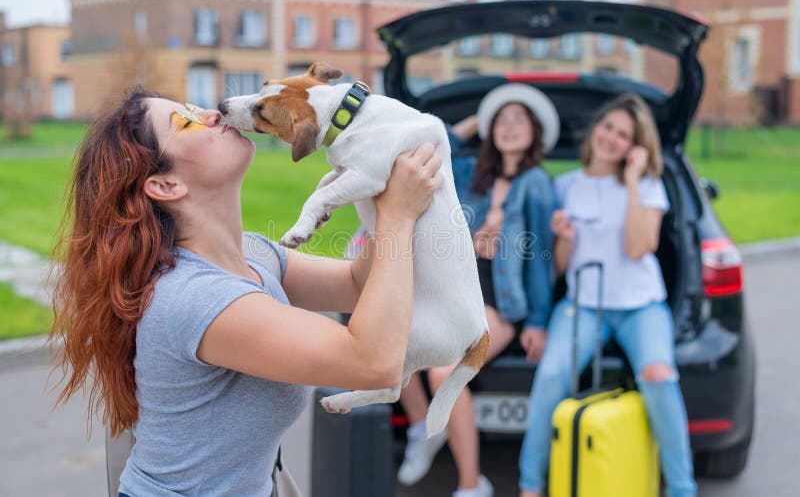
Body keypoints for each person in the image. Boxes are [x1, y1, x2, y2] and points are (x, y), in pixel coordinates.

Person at [49, 88, 443, 496]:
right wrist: (398, 216)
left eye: (192, 107)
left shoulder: (253, 253)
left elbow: (358, 286)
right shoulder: (194, 297)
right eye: (186, 121)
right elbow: (373, 363)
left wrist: (379, 188)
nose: (211, 112)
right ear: (165, 185)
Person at [518, 93, 697, 497]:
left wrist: (632, 182)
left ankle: (682, 488)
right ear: (595, 129)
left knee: (659, 376)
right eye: (608, 127)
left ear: (634, 145)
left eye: (623, 134)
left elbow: (638, 247)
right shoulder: (565, 187)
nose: (611, 138)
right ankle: (530, 484)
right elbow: (560, 268)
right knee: (549, 377)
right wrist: (563, 239)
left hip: (641, 307)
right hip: (584, 307)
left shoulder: (648, 186)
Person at [396, 83, 559, 497]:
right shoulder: (470, 174)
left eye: (518, 120)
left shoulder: (537, 183)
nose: (508, 127)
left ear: (535, 131)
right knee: (394, 339)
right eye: (501, 121)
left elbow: (541, 257)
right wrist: (477, 122)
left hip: (500, 302)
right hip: (454, 288)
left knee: (445, 370)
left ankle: (472, 484)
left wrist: (539, 321)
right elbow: (431, 142)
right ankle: (422, 427)